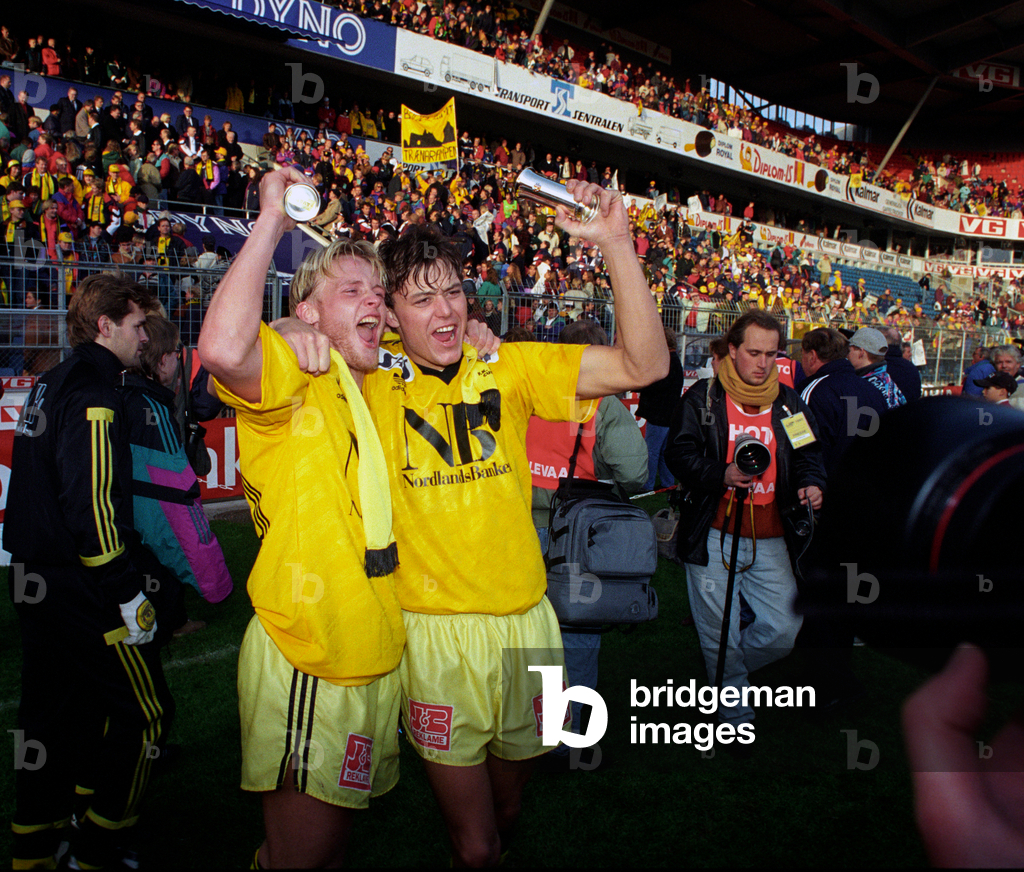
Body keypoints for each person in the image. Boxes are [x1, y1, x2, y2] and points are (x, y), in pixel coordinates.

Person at [280, 178, 667, 864]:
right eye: (421, 299)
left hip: (530, 623)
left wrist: (616, 244)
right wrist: (290, 327)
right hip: (436, 638)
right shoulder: (370, 386)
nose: (446, 311)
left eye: (453, 291)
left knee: (511, 806)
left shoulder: (508, 367)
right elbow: (280, 343)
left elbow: (648, 363)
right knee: (477, 845)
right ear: (390, 316)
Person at [198, 167, 406, 868]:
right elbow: (224, 351)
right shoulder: (295, 374)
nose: (372, 301)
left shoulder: (375, 381)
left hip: (373, 653)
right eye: (351, 291)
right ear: (310, 312)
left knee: (329, 847)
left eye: (376, 293)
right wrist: (271, 225)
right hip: (310, 653)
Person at [4, 273, 171, 870]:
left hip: (34, 579)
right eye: (135, 324)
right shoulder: (96, 391)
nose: (144, 335)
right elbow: (93, 507)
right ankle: (99, 849)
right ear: (105, 324)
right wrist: (127, 593)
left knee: (52, 717)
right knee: (147, 714)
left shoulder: (51, 381)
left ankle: (36, 848)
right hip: (82, 586)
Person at [665, 310, 826, 731]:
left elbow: (809, 454)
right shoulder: (704, 397)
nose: (763, 363)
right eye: (754, 352)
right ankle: (735, 715)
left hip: (772, 534)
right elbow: (678, 455)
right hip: (713, 531)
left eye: (772, 354)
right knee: (719, 632)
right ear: (732, 350)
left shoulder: (789, 400)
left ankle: (722, 682)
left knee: (783, 630)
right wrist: (721, 474)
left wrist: (813, 483)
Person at [527, 319, 647, 769]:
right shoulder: (604, 403)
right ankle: (568, 739)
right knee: (576, 635)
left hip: (517, 525)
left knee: (523, 632)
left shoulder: (527, 386)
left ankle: (520, 728)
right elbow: (634, 473)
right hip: (576, 532)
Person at [636, 325, 685, 491]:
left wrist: (640, 386)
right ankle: (667, 483)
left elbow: (658, 386)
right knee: (663, 452)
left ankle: (647, 484)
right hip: (669, 414)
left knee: (652, 451)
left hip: (659, 414)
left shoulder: (666, 361)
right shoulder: (674, 360)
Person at [847, 327, 906, 409]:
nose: (847, 354)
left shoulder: (868, 385)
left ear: (861, 352)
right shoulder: (887, 381)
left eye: (849, 349)